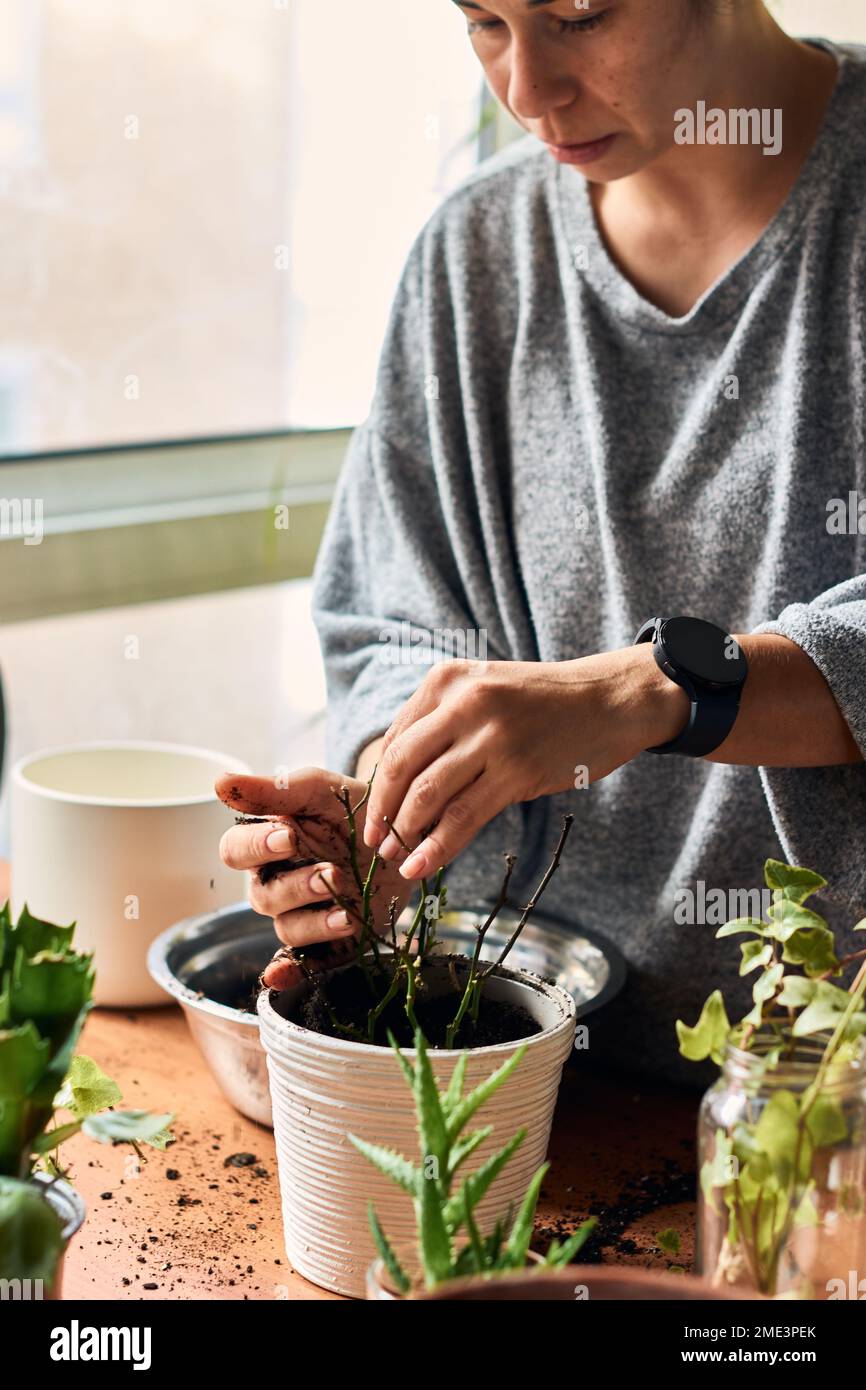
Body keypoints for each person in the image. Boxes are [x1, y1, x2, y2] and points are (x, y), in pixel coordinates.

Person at [217, 0, 866, 1085]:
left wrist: (655, 689)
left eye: (577, 14)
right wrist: (392, 809)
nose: (525, 90)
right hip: (520, 1087)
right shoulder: (473, 259)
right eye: (482, 22)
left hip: (819, 1121)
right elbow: (393, 620)